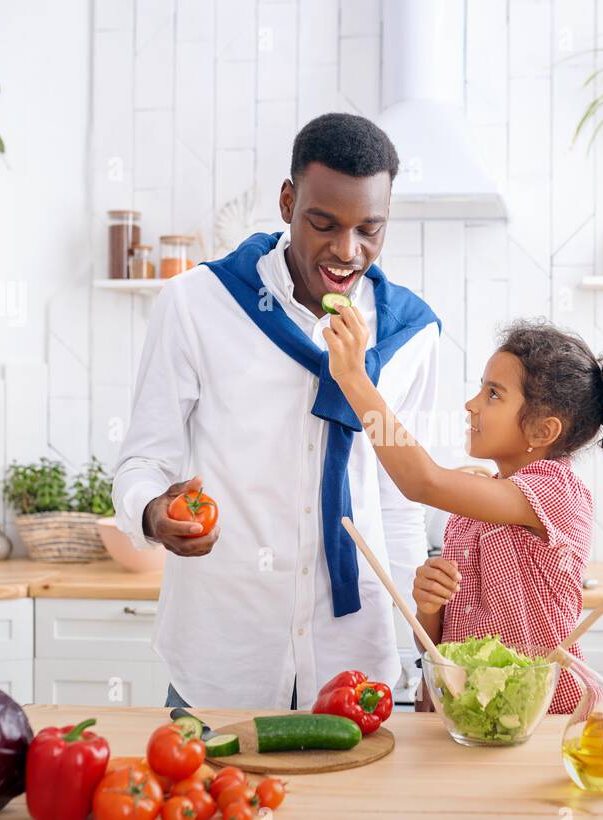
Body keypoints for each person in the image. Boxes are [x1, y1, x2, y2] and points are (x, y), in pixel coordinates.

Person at [112, 113, 440, 710]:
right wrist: (154, 514)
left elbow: (399, 504)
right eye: (324, 224)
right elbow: (141, 462)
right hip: (221, 660)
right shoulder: (198, 304)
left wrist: (426, 646)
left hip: (357, 668)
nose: (347, 251)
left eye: (370, 229)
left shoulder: (410, 334)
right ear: (288, 202)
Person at [324, 310, 603, 713]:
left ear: (543, 431)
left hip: (538, 720)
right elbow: (435, 646)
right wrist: (429, 607)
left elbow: (423, 482)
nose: (471, 404)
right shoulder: (468, 514)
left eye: (493, 394)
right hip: (463, 716)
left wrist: (352, 376)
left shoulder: (556, 490)